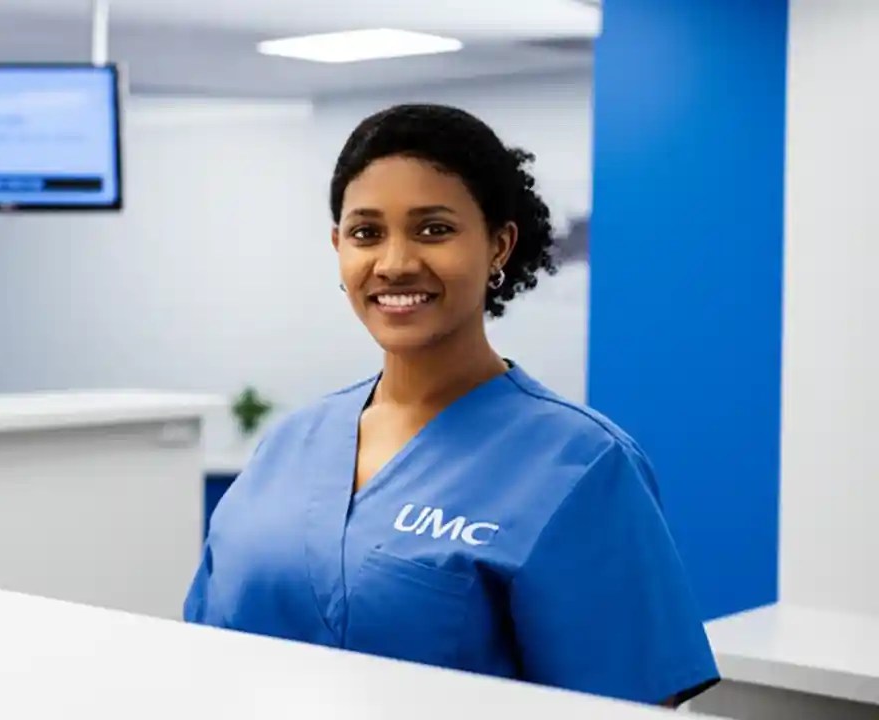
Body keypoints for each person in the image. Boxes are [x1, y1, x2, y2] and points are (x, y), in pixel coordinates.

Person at [183, 104, 719, 706]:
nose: (394, 263)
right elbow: (206, 653)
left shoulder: (581, 466)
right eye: (366, 233)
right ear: (338, 247)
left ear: (498, 245)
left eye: (433, 229)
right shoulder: (289, 445)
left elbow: (630, 704)